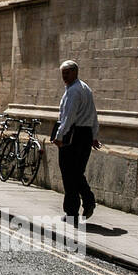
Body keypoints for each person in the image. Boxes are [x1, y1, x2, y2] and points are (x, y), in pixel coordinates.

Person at [52, 59, 100, 223]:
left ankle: (74, 211)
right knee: (77, 172)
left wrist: (59, 137)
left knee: (68, 173)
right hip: (85, 134)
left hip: (73, 135)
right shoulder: (85, 88)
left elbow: (68, 117)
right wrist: (93, 135)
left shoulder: (73, 91)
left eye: (67, 73)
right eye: (63, 73)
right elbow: (93, 114)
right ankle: (87, 202)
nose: (64, 76)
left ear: (75, 72)